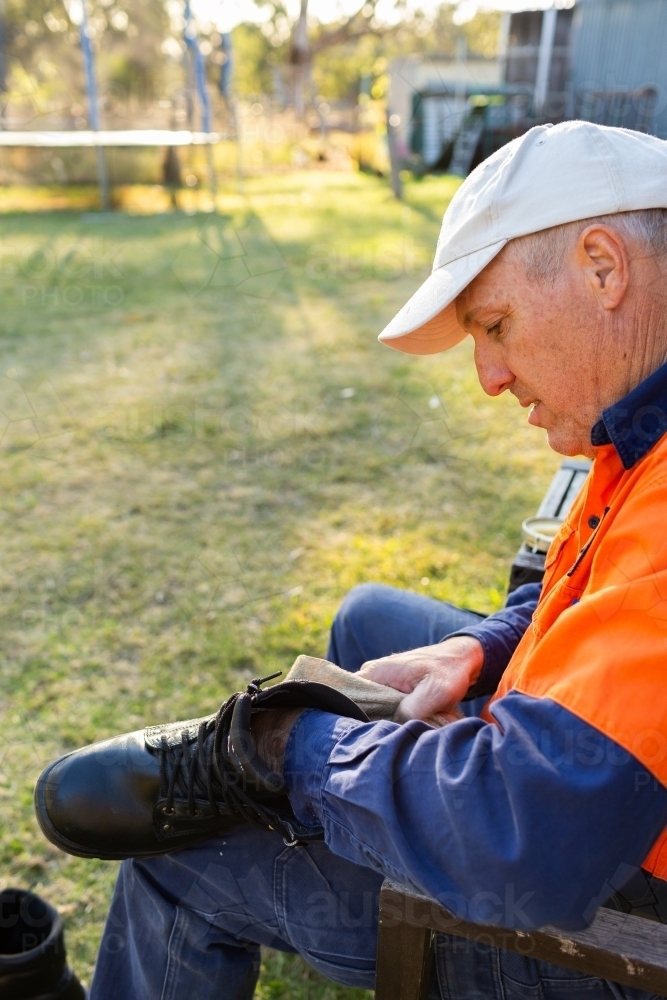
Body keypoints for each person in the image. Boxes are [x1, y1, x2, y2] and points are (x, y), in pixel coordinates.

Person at [38, 121, 667, 1000]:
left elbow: (535, 835)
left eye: (495, 325)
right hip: (614, 791)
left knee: (178, 860)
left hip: (624, 906)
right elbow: (610, 595)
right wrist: (482, 647)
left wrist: (287, 747)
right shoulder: (638, 431)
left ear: (603, 267)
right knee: (368, 618)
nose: (488, 376)